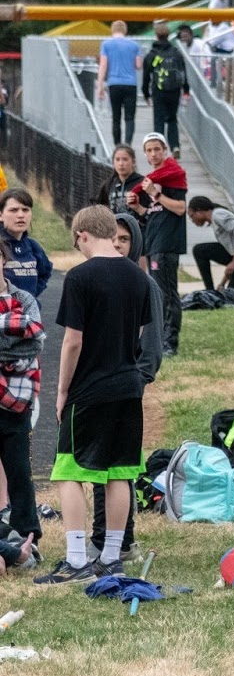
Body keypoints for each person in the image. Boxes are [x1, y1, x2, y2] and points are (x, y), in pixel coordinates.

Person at [33, 206, 150, 584]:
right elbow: (141, 332)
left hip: (89, 388)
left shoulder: (80, 277)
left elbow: (72, 341)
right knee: (119, 471)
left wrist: (62, 389)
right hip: (128, 384)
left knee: (68, 471)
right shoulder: (138, 276)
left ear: (83, 234)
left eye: (76, 241)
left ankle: (77, 558)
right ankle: (112, 557)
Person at [91, 212, 163, 563]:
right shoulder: (101, 279)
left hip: (127, 384)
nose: (117, 244)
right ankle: (103, 536)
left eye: (124, 239)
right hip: (98, 384)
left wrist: (141, 376)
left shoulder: (143, 283)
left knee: (119, 468)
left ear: (135, 243)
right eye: (113, 238)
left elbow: (152, 342)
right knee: (99, 465)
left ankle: (123, 539)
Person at [0, 272, 45, 570]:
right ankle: (7, 541)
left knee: (19, 469)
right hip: (13, 382)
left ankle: (29, 534)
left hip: (17, 399)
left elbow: (36, 345)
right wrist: (13, 339)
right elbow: (24, 342)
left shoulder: (24, 299)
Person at [140, 134, 186, 356]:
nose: (153, 154)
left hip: (168, 242)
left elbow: (179, 208)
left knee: (168, 294)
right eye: (149, 150)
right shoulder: (151, 179)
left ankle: (170, 343)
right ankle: (161, 340)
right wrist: (139, 207)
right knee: (159, 293)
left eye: (157, 149)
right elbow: (153, 213)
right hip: (154, 241)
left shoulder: (173, 175)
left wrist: (155, 194)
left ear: (165, 149)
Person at [142, 23, 188, 155]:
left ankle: (159, 149)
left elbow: (146, 76)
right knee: (172, 119)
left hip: (158, 91)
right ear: (168, 36)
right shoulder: (176, 53)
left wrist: (146, 93)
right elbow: (183, 72)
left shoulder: (152, 55)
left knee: (159, 120)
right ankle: (175, 146)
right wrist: (186, 89)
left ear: (156, 36)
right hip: (174, 90)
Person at [97, 21, 142, 147]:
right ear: (125, 30)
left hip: (114, 83)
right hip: (130, 83)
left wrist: (100, 86)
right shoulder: (134, 45)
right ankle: (128, 144)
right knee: (129, 117)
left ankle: (117, 145)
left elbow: (103, 65)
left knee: (116, 118)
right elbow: (138, 65)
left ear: (112, 30)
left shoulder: (106, 44)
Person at [0, 188, 52, 300]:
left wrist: (30, 297)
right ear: (1, 215)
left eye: (25, 210)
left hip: (29, 315)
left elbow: (45, 273)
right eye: (13, 210)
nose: (20, 215)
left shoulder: (34, 247)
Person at [96, 144, 148, 225]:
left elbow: (151, 213)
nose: (121, 163)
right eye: (117, 159)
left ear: (133, 161)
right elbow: (100, 206)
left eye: (125, 159)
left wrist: (138, 208)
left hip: (139, 230)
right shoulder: (109, 184)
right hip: (115, 231)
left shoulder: (142, 183)